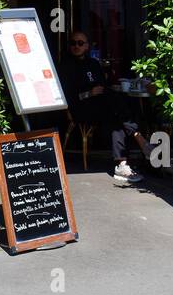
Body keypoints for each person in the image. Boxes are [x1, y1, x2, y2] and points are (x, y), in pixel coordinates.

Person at [59, 31, 151, 184]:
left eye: (80, 43)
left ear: (87, 46)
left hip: (100, 106)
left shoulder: (93, 64)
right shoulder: (66, 66)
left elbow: (103, 86)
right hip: (80, 109)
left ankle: (121, 164)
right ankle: (138, 137)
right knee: (115, 107)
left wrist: (104, 90)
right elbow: (67, 95)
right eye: (73, 43)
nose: (76, 46)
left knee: (116, 113)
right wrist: (89, 93)